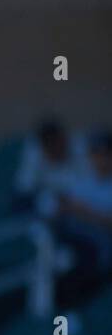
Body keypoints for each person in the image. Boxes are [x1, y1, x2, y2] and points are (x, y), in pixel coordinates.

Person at [52, 129, 112, 301]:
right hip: (75, 239)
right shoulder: (82, 182)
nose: (100, 159)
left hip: (100, 245)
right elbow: (62, 212)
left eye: (105, 154)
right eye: (96, 154)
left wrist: (84, 211)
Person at [14, 117, 90, 212]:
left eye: (57, 142)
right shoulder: (35, 154)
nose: (55, 148)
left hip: (85, 201)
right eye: (49, 144)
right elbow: (24, 187)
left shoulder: (81, 148)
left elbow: (92, 182)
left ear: (64, 139)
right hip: (52, 204)